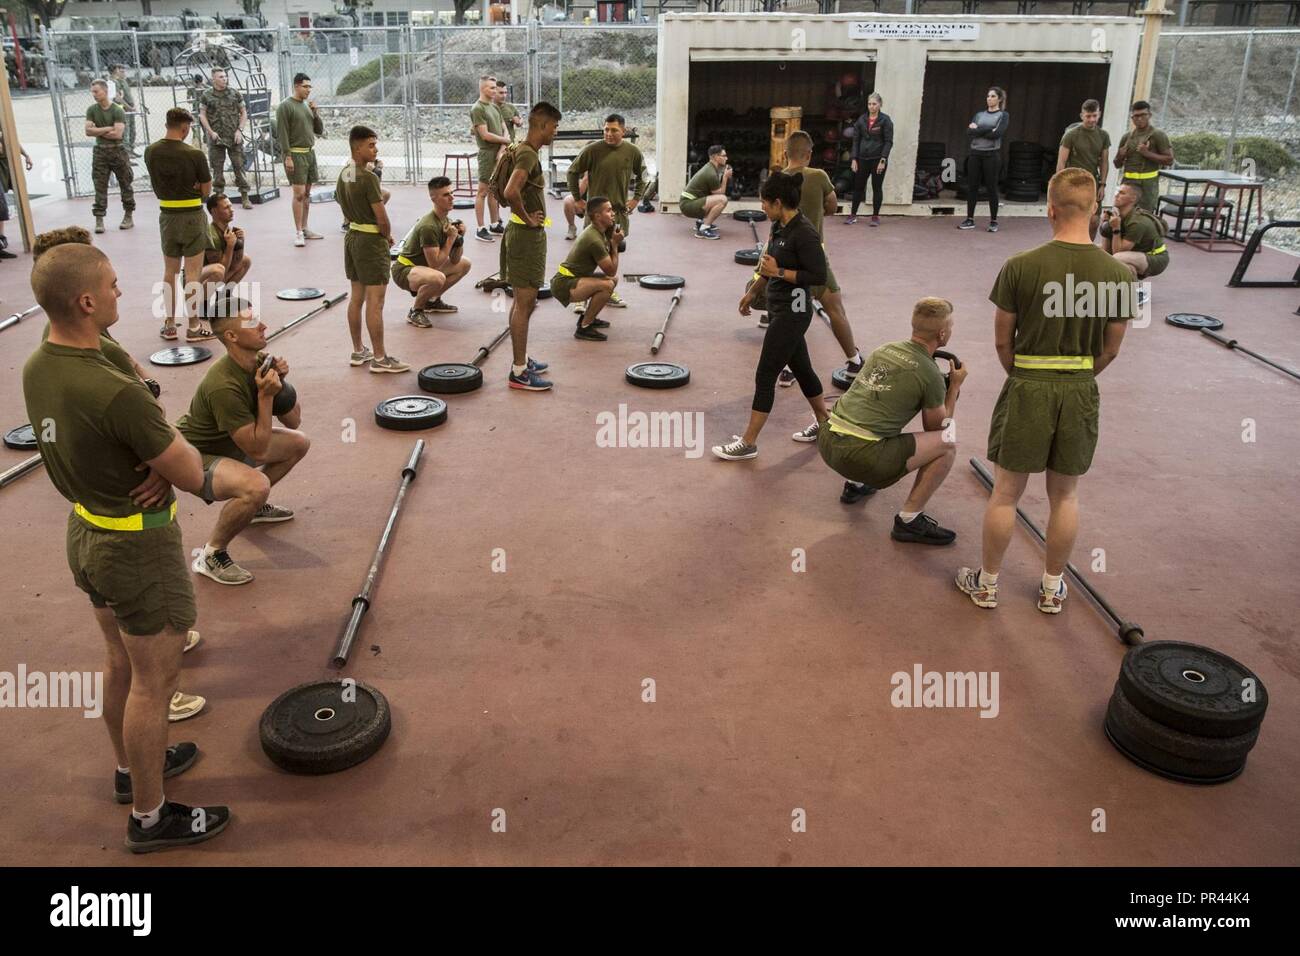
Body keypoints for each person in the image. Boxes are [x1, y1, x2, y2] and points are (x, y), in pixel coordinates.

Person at [23, 242, 229, 852]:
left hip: (87, 531)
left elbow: (133, 406)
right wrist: (168, 459)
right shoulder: (117, 395)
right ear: (87, 302)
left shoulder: (41, 363)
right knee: (153, 683)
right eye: (111, 285)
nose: (119, 292)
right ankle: (150, 816)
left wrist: (151, 447)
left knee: (120, 663)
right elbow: (193, 472)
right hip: (136, 548)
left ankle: (129, 771)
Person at [955, 168, 1134, 614]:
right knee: (1066, 495)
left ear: (1049, 209)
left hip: (1028, 384)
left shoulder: (1020, 266)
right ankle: (1052, 589)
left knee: (1006, 492)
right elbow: (1112, 349)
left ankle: (988, 585)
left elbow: (1002, 341)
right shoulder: (1117, 274)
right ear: (1094, 209)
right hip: (1077, 387)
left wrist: (1024, 374)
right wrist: (1077, 374)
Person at [178, 291, 309, 586]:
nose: (263, 326)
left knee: (298, 442)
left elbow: (294, 420)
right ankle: (211, 554)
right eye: (252, 323)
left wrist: (281, 384)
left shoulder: (261, 361)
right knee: (256, 485)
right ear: (232, 336)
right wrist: (265, 396)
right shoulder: (222, 384)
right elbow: (259, 450)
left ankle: (252, 509)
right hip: (195, 457)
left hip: (234, 445)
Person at [818, 298, 967, 543]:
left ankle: (855, 484)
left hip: (827, 441)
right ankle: (910, 520)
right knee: (947, 445)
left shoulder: (884, 349)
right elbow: (939, 429)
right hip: (861, 456)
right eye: (950, 327)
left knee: (876, 416)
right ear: (942, 334)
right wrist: (954, 388)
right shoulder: (929, 373)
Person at [714, 170, 829, 461]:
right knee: (801, 369)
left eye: (765, 202)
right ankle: (825, 421)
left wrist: (778, 272)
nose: (762, 207)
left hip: (796, 309)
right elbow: (767, 266)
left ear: (778, 202)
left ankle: (749, 442)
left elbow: (818, 276)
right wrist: (753, 292)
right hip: (779, 306)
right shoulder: (779, 226)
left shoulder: (804, 234)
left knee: (766, 374)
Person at [779, 130, 862, 384]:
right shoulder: (819, 176)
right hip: (814, 257)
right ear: (810, 154)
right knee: (835, 308)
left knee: (791, 315)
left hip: (785, 257)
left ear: (785, 154)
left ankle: (787, 370)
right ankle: (854, 361)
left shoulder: (778, 180)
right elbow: (833, 206)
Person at [502, 101, 561, 391]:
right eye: (554, 127)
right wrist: (529, 219)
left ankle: (521, 359)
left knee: (524, 302)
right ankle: (519, 373)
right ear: (542, 125)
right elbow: (510, 191)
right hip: (525, 236)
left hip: (524, 234)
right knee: (524, 303)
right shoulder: (527, 154)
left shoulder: (524, 150)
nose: (555, 133)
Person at [338, 126, 406, 373]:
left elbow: (341, 202)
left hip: (353, 236)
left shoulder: (346, 173)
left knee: (357, 298)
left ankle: (358, 351)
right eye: (371, 145)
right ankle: (379, 358)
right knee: (375, 303)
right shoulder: (368, 178)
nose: (375, 149)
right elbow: (382, 219)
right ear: (357, 147)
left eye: (375, 144)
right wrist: (386, 236)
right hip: (369, 241)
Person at [143, 107, 212, 342]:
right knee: (192, 273)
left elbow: (156, 183)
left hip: (167, 214)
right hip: (192, 213)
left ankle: (170, 324)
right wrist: (194, 189)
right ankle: (193, 326)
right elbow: (206, 190)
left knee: (169, 272)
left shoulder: (150, 152)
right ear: (185, 128)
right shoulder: (194, 154)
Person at [391, 176, 472, 327]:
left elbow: (455, 260)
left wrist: (459, 238)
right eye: (446, 195)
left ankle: (432, 301)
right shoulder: (428, 226)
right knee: (438, 277)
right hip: (404, 270)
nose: (452, 198)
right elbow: (434, 264)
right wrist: (450, 239)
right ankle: (416, 311)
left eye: (451, 193)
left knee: (464, 264)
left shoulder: (446, 220)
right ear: (433, 198)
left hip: (424, 268)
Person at [551, 196, 622, 341]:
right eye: (609, 211)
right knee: (607, 285)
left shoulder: (597, 230)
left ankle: (589, 317)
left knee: (612, 280)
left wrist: (612, 236)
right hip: (564, 284)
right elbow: (611, 269)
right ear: (597, 216)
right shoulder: (593, 239)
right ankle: (584, 327)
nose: (613, 213)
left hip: (574, 278)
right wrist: (615, 245)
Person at [275, 73, 325, 247]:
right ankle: (298, 232)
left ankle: (305, 228)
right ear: (296, 86)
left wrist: (315, 113)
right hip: (295, 154)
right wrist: (287, 156)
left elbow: (319, 130)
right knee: (298, 194)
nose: (308, 90)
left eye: (310, 87)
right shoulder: (285, 106)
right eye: (305, 86)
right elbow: (282, 134)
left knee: (307, 194)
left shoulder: (306, 106)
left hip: (309, 153)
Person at [85, 79, 135, 235]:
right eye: (92, 91)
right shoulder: (92, 110)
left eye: (96, 91)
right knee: (100, 185)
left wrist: (98, 130)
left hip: (117, 151)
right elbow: (88, 131)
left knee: (125, 183)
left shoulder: (117, 110)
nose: (94, 94)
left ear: (105, 91)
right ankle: (99, 219)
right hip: (100, 152)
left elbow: (117, 134)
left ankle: (128, 215)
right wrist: (107, 128)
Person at [198, 67, 252, 210]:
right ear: (213, 79)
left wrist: (239, 130)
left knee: (239, 166)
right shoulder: (206, 95)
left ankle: (245, 197)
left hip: (234, 137)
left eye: (225, 76)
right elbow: (202, 115)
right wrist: (210, 131)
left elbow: (244, 112)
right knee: (217, 170)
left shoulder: (234, 93)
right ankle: (219, 198)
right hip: (216, 139)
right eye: (221, 77)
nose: (224, 79)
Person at [1057, 98, 1111, 239]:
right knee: (1072, 219)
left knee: (1094, 221)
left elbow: (1104, 161)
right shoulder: (1071, 135)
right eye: (1088, 116)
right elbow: (1061, 162)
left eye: (1095, 116)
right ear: (1082, 116)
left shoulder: (1103, 136)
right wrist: (1060, 185)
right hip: (1073, 182)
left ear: (1099, 114)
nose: (1092, 119)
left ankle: (1088, 247)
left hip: (1093, 182)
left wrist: (1103, 184)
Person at [958, 87, 1009, 232]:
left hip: (991, 155)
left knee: (991, 187)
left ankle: (993, 221)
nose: (989, 98)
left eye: (993, 96)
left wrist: (978, 129)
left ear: (999, 99)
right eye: (988, 96)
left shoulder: (1003, 115)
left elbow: (997, 133)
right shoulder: (979, 115)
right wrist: (987, 129)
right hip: (975, 154)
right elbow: (969, 132)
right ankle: (970, 219)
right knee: (972, 187)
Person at [1100, 181, 1169, 282]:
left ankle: (1137, 292)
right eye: (1117, 192)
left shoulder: (1137, 222)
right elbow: (1106, 251)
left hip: (1155, 257)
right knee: (1094, 251)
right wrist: (1105, 224)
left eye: (1122, 193)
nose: (1116, 195)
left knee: (1118, 258)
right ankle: (1123, 288)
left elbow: (1117, 252)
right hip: (1134, 253)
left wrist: (1115, 228)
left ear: (1133, 198)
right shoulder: (1121, 215)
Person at [471, 74, 511, 243]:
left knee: (494, 190)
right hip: (487, 154)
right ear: (482, 88)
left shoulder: (494, 107)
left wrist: (502, 148)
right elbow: (485, 135)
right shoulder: (477, 109)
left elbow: (505, 129)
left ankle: (495, 224)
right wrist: (505, 142)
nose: (495, 91)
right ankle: (481, 228)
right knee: (483, 191)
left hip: (499, 153)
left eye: (496, 88)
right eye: (492, 88)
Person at [1114, 100, 1173, 213]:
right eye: (1136, 116)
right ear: (1132, 118)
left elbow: (1169, 160)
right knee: (1123, 216)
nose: (1139, 119)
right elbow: (1117, 164)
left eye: (1143, 115)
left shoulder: (1158, 135)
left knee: (1144, 218)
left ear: (1149, 115)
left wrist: (1147, 154)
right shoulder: (1127, 137)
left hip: (1147, 187)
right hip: (1128, 183)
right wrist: (1121, 156)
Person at [846, 92, 892, 226]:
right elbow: (855, 140)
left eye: (874, 104)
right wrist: (854, 159)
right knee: (858, 187)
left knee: (877, 187)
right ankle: (853, 215)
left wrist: (883, 159)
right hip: (862, 159)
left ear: (880, 104)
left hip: (878, 160)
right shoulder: (861, 120)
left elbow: (888, 142)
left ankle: (875, 217)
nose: (871, 107)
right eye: (869, 104)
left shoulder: (885, 120)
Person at [201, 194, 252, 299]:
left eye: (231, 206)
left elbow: (235, 265)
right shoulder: (212, 235)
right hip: (195, 279)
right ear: (214, 211)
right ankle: (202, 304)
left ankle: (224, 295)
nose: (232, 210)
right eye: (226, 208)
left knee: (246, 260)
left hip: (217, 273)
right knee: (218, 271)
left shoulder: (227, 230)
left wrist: (240, 243)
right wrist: (230, 246)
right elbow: (221, 270)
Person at [681, 146, 731, 239]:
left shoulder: (710, 167)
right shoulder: (710, 173)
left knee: (715, 198)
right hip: (688, 205)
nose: (726, 158)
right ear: (716, 157)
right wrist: (725, 178)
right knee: (722, 200)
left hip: (689, 203)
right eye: (724, 156)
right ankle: (703, 229)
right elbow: (720, 195)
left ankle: (700, 223)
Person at [0, 125, 33, 260]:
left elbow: (11, 140)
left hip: (6, 166)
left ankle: (1, 240)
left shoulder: (3, 121)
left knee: (2, 207)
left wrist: (26, 155)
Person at [109, 64, 139, 155]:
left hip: (129, 108)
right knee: (125, 131)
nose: (123, 73)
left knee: (132, 130)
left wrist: (132, 106)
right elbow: (118, 98)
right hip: (123, 109)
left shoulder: (123, 81)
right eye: (120, 71)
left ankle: (130, 149)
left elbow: (127, 94)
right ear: (115, 71)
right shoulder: (115, 82)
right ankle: (126, 152)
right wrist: (128, 107)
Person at [562, 170, 590, 241]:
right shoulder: (582, 165)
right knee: (568, 201)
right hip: (585, 201)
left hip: (601, 202)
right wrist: (578, 199)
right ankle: (572, 227)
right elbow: (579, 191)